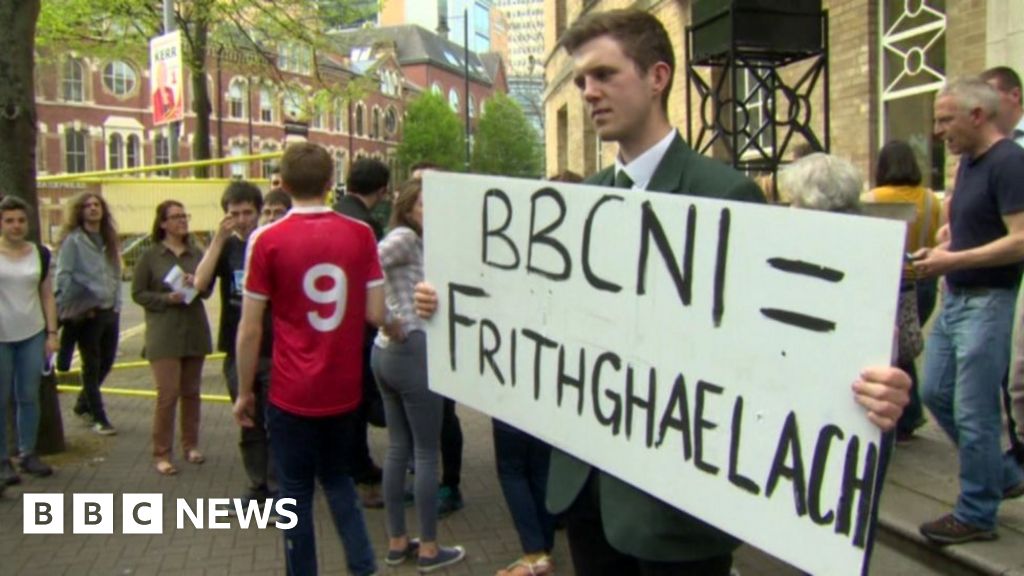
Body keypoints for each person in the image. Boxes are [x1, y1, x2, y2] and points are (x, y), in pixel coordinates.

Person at [414, 9, 911, 576]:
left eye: (604, 75)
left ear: (658, 76)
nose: (588, 92)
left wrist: (863, 387)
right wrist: (449, 307)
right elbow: (540, 314)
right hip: (585, 491)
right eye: (580, 81)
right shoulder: (578, 203)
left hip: (675, 512)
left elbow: (771, 344)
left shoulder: (724, 193)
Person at [233, 142, 382, 576]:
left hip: (290, 389)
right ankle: (363, 566)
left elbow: (250, 327)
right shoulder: (360, 233)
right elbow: (375, 313)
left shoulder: (266, 239)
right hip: (343, 386)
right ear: (331, 181)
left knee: (294, 492)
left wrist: (244, 392)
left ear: (282, 183)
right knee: (338, 482)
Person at [910, 78, 1024, 545]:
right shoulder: (969, 163)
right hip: (956, 297)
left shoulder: (1011, 162)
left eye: (946, 119)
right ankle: (1000, 474)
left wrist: (952, 259)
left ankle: (977, 511)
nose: (938, 131)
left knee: (974, 411)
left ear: (978, 115)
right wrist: (947, 243)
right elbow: (981, 228)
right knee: (935, 391)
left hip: (987, 301)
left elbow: (1020, 239)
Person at [370, 179, 467, 573]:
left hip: (388, 352)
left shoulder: (423, 241)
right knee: (426, 453)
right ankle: (429, 548)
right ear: (410, 208)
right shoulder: (406, 238)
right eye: (427, 203)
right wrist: (389, 317)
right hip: (411, 347)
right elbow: (365, 266)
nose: (436, 210)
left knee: (398, 449)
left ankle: (397, 542)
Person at [192, 181, 275, 505]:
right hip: (235, 345)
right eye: (234, 214)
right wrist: (217, 241)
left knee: (273, 419)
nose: (242, 220)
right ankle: (257, 485)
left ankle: (278, 486)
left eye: (247, 213)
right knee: (248, 419)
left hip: (271, 345)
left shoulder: (269, 243)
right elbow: (199, 286)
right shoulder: (226, 247)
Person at [861, 141, 943, 441]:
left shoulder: (871, 199)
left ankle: (905, 416)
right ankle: (911, 415)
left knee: (894, 352)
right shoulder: (932, 199)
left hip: (894, 284)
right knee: (908, 348)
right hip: (925, 282)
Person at [132, 200, 213, 476]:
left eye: (184, 215)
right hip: (164, 332)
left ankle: (190, 445)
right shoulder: (151, 256)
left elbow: (208, 289)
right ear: (163, 223)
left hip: (193, 329)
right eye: (176, 217)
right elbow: (138, 293)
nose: (182, 221)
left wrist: (197, 283)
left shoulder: (196, 253)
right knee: (167, 394)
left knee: (191, 392)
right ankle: (162, 453)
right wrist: (166, 298)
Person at [410, 161, 465, 517]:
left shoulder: (456, 234)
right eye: (416, 191)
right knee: (420, 415)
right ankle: (426, 477)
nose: (421, 199)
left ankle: (451, 484)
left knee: (445, 415)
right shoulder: (404, 237)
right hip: (415, 341)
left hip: (447, 338)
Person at [336, 158, 390, 508]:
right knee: (357, 402)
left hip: (333, 321)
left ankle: (351, 465)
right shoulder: (364, 225)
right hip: (357, 325)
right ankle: (356, 469)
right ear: (382, 190)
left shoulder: (335, 213)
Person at [0, 196, 58, 484]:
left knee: (28, 395)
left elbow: (47, 294)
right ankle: (2, 461)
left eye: (21, 220)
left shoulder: (40, 253)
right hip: (1, 336)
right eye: (9, 220)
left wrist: (52, 333)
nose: (16, 226)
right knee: (1, 398)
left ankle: (27, 453)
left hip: (32, 332)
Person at [982, 66, 1024, 463]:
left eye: (990, 97)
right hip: (1007, 281)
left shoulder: (1012, 154)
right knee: (1014, 381)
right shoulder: (988, 153)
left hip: (1007, 277)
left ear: (1013, 96)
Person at [56, 192, 122, 436]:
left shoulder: (109, 239)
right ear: (79, 211)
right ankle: (99, 417)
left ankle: (83, 404)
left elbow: (116, 272)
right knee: (91, 366)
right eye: (87, 206)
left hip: (109, 310)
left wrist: (116, 304)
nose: (93, 209)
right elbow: (63, 275)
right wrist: (72, 304)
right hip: (87, 313)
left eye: (97, 205)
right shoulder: (73, 241)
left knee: (107, 362)